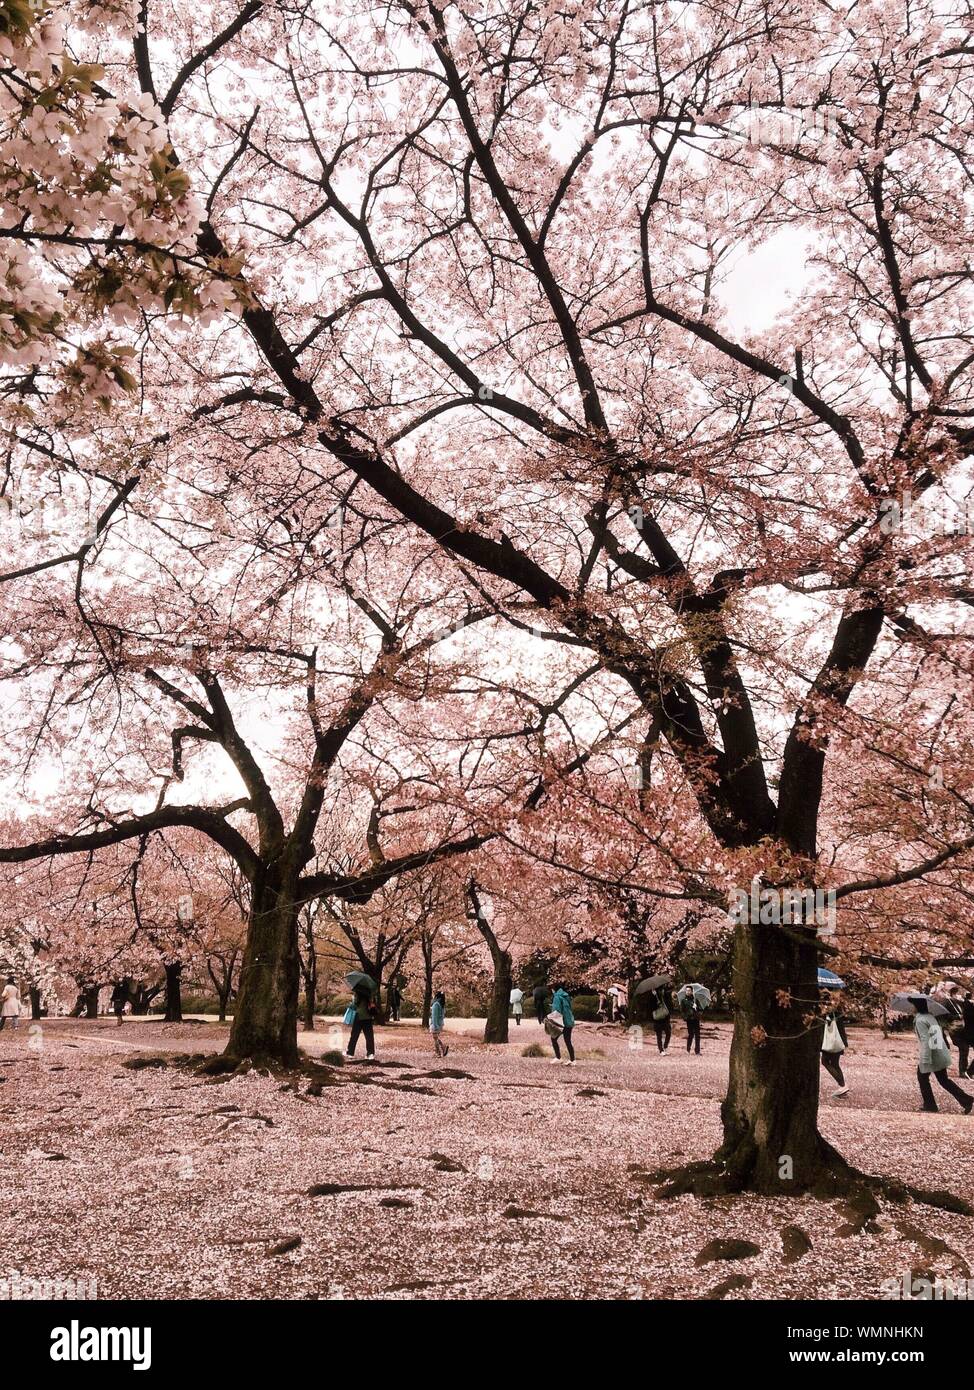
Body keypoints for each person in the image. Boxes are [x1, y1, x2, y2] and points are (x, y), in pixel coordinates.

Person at [912, 997, 973, 1114]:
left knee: (923, 1078)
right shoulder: (930, 1017)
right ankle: (966, 1100)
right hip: (939, 1052)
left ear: (917, 1006)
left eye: (913, 1005)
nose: (912, 1007)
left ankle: (930, 1105)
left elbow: (926, 1041)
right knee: (944, 1080)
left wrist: (925, 1060)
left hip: (932, 1055)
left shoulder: (920, 1021)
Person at [820, 1001, 849, 1096]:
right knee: (835, 1064)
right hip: (839, 1040)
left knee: (825, 1061)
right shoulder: (839, 1007)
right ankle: (843, 1086)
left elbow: (828, 1022)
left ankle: (842, 1085)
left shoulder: (830, 1009)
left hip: (832, 1041)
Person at [346, 979, 377, 1060]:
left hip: (359, 1016)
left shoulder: (358, 993)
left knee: (354, 1035)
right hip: (368, 1017)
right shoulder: (370, 994)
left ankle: (350, 1052)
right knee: (369, 1036)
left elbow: (354, 1005)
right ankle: (370, 1053)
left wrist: (351, 1001)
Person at [549, 982, 575, 1064]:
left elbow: (557, 1010)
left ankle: (558, 1057)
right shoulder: (566, 996)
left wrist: (551, 1019)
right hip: (569, 1020)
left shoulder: (557, 997)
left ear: (553, 989)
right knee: (568, 1041)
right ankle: (572, 1060)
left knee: (553, 1038)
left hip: (561, 1021)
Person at [680, 989, 703, 1055]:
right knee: (691, 1034)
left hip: (696, 1019)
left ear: (692, 991)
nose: (688, 992)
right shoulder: (684, 1001)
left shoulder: (695, 1000)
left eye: (689, 990)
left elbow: (701, 1009)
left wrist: (696, 1008)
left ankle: (697, 1051)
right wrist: (686, 1017)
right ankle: (688, 1049)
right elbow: (682, 1011)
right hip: (689, 1019)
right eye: (686, 990)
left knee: (697, 1035)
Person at [957, 992, 974, 1079]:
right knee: (964, 1052)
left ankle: (968, 1071)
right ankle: (965, 1071)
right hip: (968, 1033)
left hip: (968, 1033)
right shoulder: (968, 1006)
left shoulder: (968, 1005)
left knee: (964, 1052)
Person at [651, 986, 671, 1054]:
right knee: (659, 1035)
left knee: (668, 1033)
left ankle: (665, 1047)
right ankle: (661, 1050)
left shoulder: (664, 996)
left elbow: (668, 1005)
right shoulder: (652, 997)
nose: (662, 991)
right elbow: (650, 1007)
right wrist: (655, 999)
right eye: (661, 990)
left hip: (665, 1017)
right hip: (658, 1018)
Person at [430, 990, 449, 1057]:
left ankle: (438, 1053)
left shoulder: (436, 1005)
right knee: (436, 1038)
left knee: (435, 1038)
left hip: (435, 1024)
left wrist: (435, 1026)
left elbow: (434, 1016)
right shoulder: (441, 1005)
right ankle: (443, 1047)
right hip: (440, 1024)